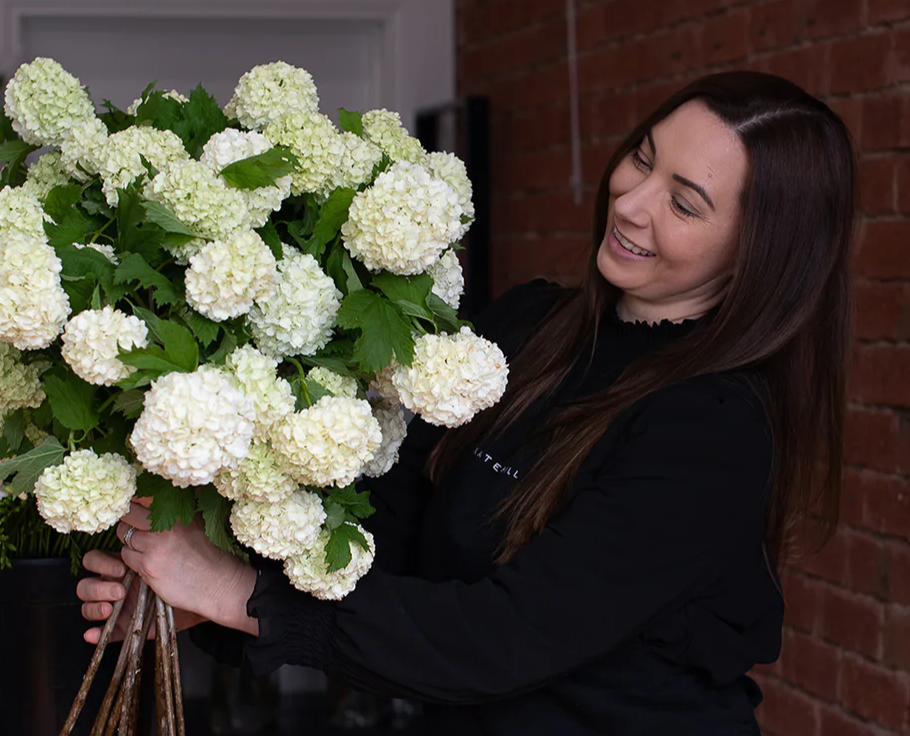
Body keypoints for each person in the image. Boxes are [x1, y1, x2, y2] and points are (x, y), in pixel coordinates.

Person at [77, 71, 855, 735]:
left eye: (683, 204)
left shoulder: (712, 429)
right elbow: (389, 553)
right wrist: (207, 611)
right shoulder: (526, 325)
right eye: (641, 159)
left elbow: (497, 640)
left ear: (758, 251)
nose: (630, 202)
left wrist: (235, 595)